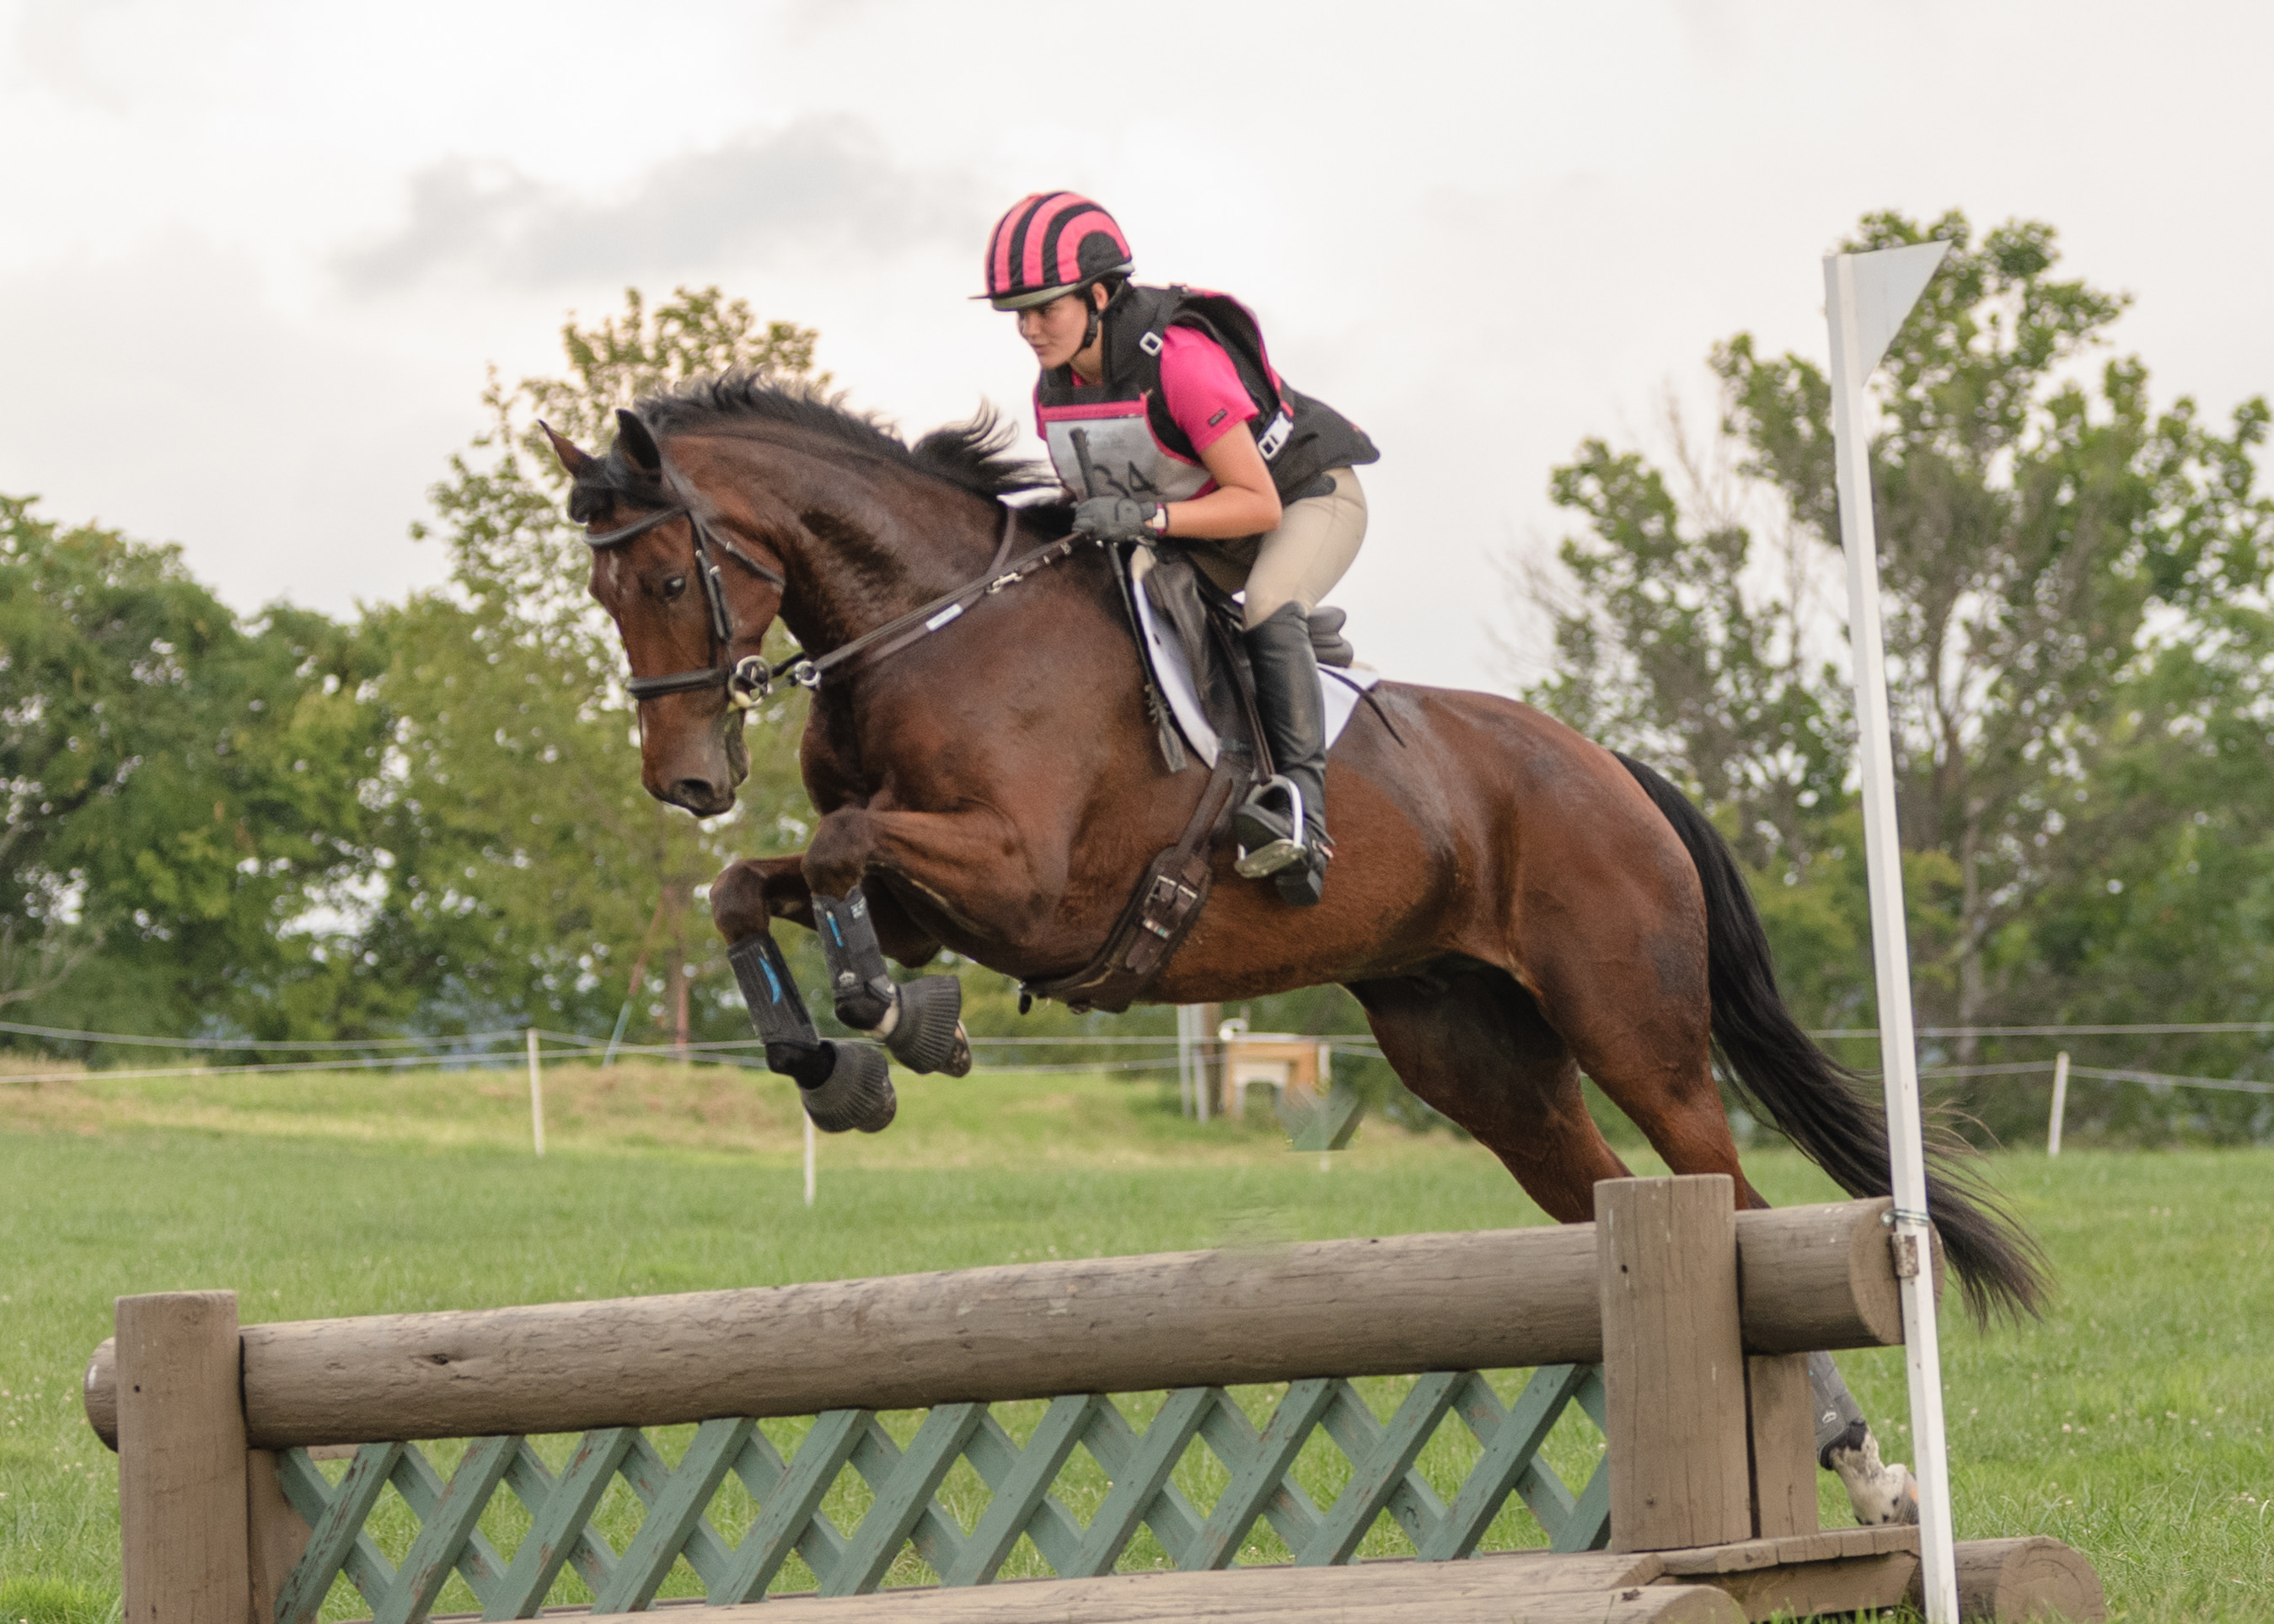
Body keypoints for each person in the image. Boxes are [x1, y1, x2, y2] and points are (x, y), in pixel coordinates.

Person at [980, 191, 1380, 906]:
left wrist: (1144, 516)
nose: (1030, 330)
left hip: (1303, 499)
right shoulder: (1054, 388)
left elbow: (1256, 504)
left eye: (1046, 308)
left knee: (1266, 603)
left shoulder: (1183, 363)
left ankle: (1303, 817)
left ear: (1099, 295)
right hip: (1206, 518)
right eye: (1019, 314)